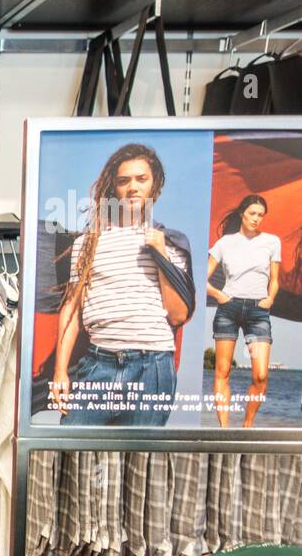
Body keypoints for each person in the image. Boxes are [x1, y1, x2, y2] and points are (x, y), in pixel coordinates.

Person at [51, 143, 195, 426]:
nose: (132, 188)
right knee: (72, 454)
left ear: (155, 187)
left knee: (138, 465)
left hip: (152, 367)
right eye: (123, 180)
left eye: (142, 179)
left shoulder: (170, 242)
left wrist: (161, 256)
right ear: (113, 188)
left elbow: (178, 315)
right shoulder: (87, 243)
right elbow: (70, 310)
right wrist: (60, 372)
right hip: (97, 364)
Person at [208, 194, 281, 428]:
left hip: (257, 312)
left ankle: (247, 425)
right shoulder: (225, 243)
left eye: (261, 215)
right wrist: (219, 295)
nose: (257, 219)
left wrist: (270, 298)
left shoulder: (272, 242)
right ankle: (223, 430)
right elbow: (203, 277)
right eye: (252, 213)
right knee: (223, 371)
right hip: (228, 309)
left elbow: (275, 279)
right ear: (242, 213)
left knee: (260, 376)